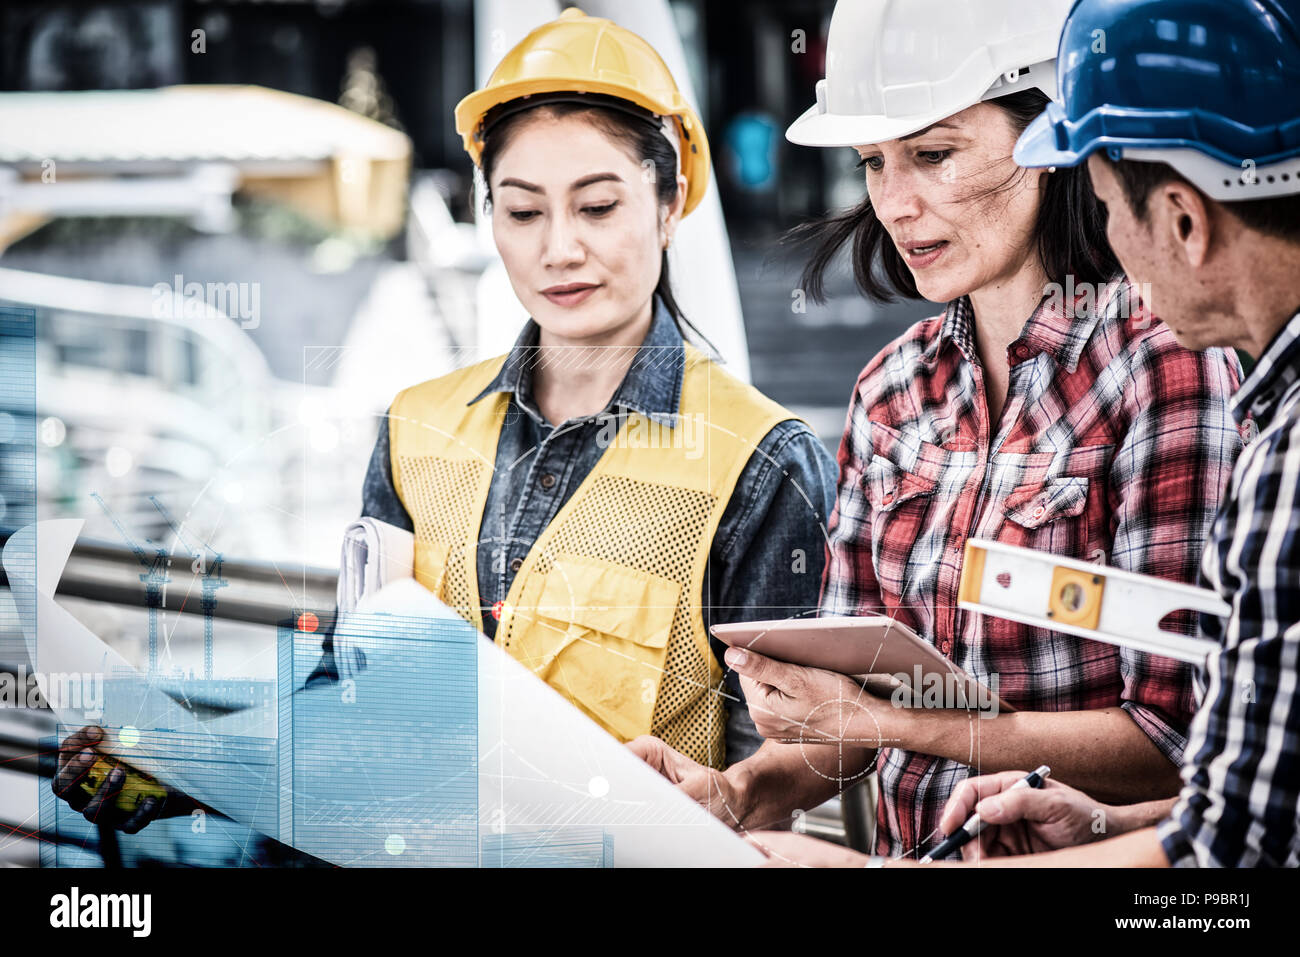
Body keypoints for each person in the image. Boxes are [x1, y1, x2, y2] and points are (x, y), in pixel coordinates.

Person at [51, 8, 836, 834]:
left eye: (598, 207)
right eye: (523, 211)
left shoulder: (759, 464)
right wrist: (183, 765)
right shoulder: (415, 429)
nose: (558, 248)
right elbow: (349, 698)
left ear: (670, 201)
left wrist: (731, 796)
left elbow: (794, 761)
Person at [631, 0, 1245, 862]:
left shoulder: (1162, 367)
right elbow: (846, 716)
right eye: (875, 162)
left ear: (1047, 141)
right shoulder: (893, 391)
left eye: (934, 154)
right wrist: (739, 792)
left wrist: (898, 721)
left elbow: (1175, 733)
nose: (896, 203)